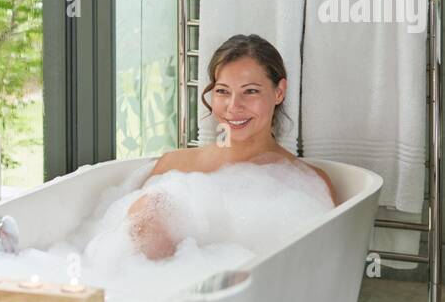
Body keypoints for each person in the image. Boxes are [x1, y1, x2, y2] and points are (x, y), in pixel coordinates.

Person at [127, 34, 338, 259]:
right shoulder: (171, 166)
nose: (233, 106)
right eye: (222, 91)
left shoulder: (309, 186)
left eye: (250, 91)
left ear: (279, 91)